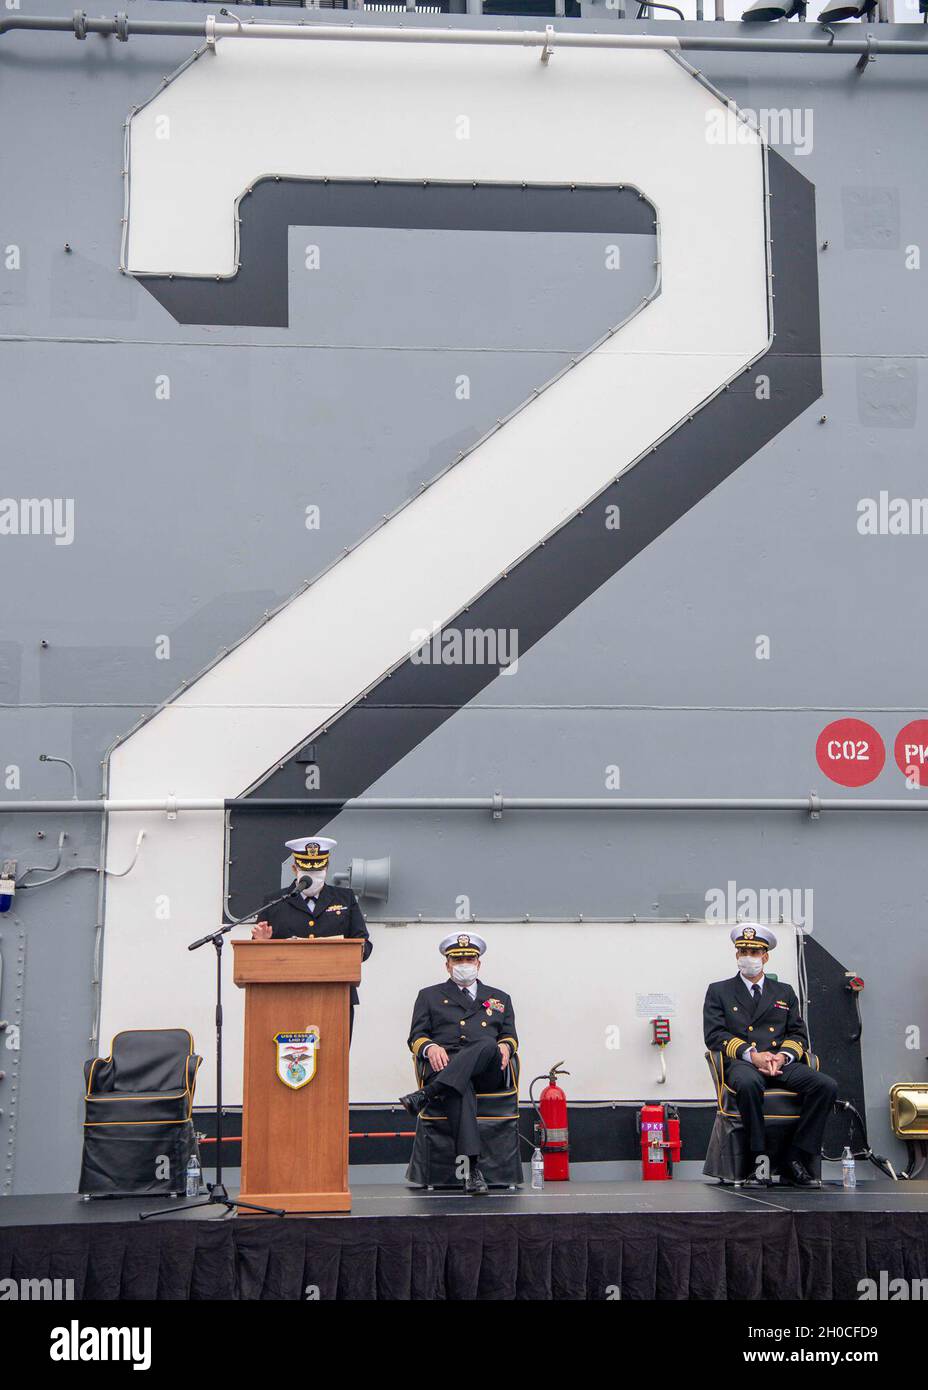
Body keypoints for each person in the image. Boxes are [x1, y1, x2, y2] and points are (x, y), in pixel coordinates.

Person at [703, 923, 838, 1187]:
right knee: (749, 1084)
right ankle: (758, 1158)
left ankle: (796, 1157)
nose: (747, 956)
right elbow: (714, 1035)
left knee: (825, 1086)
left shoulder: (784, 992)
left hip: (780, 1063)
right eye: (742, 950)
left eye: (754, 951)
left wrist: (783, 1057)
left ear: (765, 956)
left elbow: (799, 1035)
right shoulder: (719, 991)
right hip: (745, 1064)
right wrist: (752, 1055)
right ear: (736, 955)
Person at [399, 933, 518, 1195]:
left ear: (479, 963)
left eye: (469, 958)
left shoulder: (499, 997)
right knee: (459, 1087)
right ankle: (472, 1171)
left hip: (487, 1068)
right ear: (447, 965)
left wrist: (506, 1046)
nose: (464, 963)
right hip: (445, 1066)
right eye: (458, 959)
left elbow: (510, 1036)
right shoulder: (429, 996)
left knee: (488, 1042)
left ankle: (426, 1094)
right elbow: (416, 1037)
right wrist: (430, 1048)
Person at [251, 836, 372, 1039]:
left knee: (335, 1059)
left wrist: (353, 951)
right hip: (285, 995)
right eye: (307, 871)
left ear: (327, 868)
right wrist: (261, 944)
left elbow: (364, 943)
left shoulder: (345, 898)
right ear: (294, 869)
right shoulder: (274, 902)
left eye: (318, 870)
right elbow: (257, 958)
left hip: (337, 993)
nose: (313, 876)